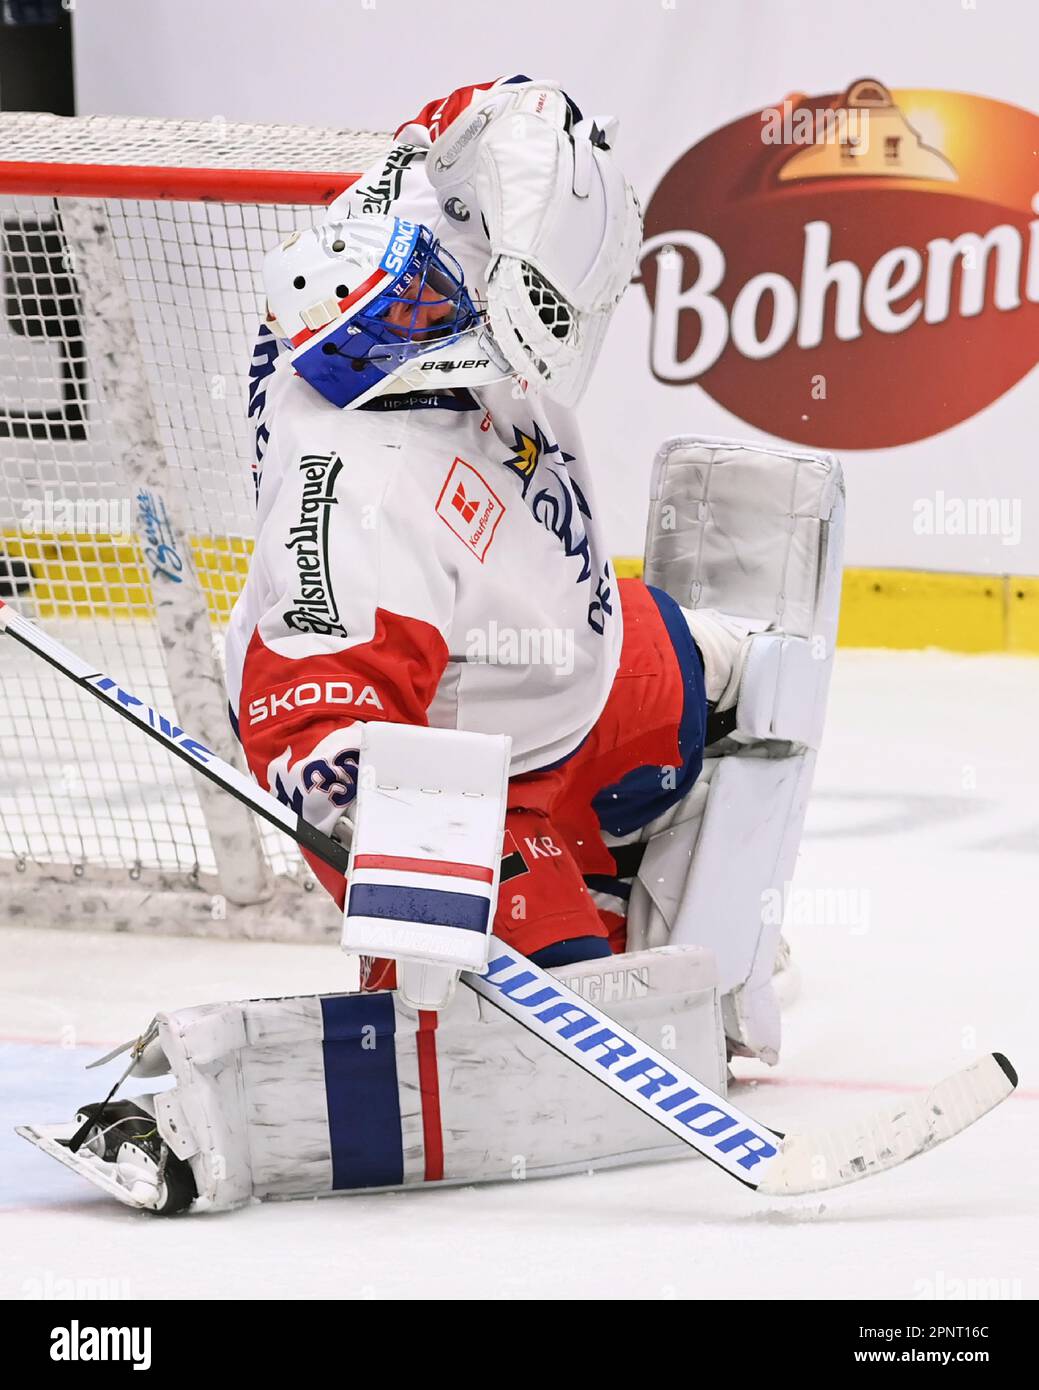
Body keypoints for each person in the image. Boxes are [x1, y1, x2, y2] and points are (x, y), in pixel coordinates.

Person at [225, 75, 758, 986]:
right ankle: (515, 953)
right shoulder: (360, 491)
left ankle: (605, 876)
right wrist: (364, 803)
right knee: (538, 1057)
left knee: (761, 682)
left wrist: (518, 122)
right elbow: (314, 707)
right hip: (473, 784)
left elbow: (491, 113)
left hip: (561, 657)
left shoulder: (413, 240)